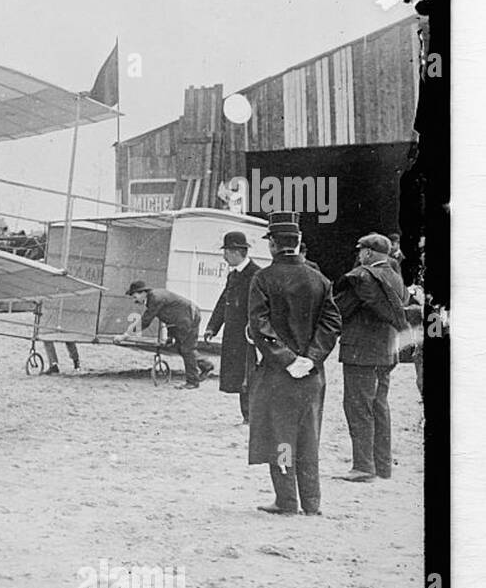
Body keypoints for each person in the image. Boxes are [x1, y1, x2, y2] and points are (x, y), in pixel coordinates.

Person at [246, 215, 342, 515]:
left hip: (278, 376)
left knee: (282, 437)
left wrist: (287, 359)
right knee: (309, 437)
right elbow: (332, 323)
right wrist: (310, 358)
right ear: (298, 243)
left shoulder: (262, 279)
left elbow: (260, 325)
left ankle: (286, 501)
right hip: (312, 375)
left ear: (273, 244)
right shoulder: (320, 280)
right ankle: (312, 503)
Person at [333, 233, 409, 482]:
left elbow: (341, 309)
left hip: (360, 352)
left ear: (367, 253)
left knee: (358, 407)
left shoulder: (363, 277)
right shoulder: (395, 277)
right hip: (386, 352)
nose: (359, 255)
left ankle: (363, 466)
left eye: (360, 251)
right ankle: (382, 465)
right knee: (379, 406)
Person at [203, 231, 261, 422]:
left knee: (249, 374)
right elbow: (223, 302)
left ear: (236, 252)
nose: (224, 256)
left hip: (249, 336)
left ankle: (251, 416)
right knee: (239, 375)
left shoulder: (256, 275)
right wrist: (212, 327)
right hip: (234, 335)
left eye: (226, 252)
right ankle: (247, 415)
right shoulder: (233, 275)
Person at [115, 280, 213, 388]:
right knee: (181, 348)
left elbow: (145, 321)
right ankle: (206, 365)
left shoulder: (155, 298)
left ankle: (193, 382)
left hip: (189, 316)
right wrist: (170, 336)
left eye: (135, 297)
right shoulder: (154, 297)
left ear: (143, 292)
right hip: (187, 316)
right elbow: (169, 316)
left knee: (186, 349)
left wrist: (125, 335)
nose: (135, 300)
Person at [33, 300, 80, 374]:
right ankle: (54, 364)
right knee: (47, 338)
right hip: (53, 312)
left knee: (68, 337)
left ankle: (76, 362)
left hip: (65, 311)